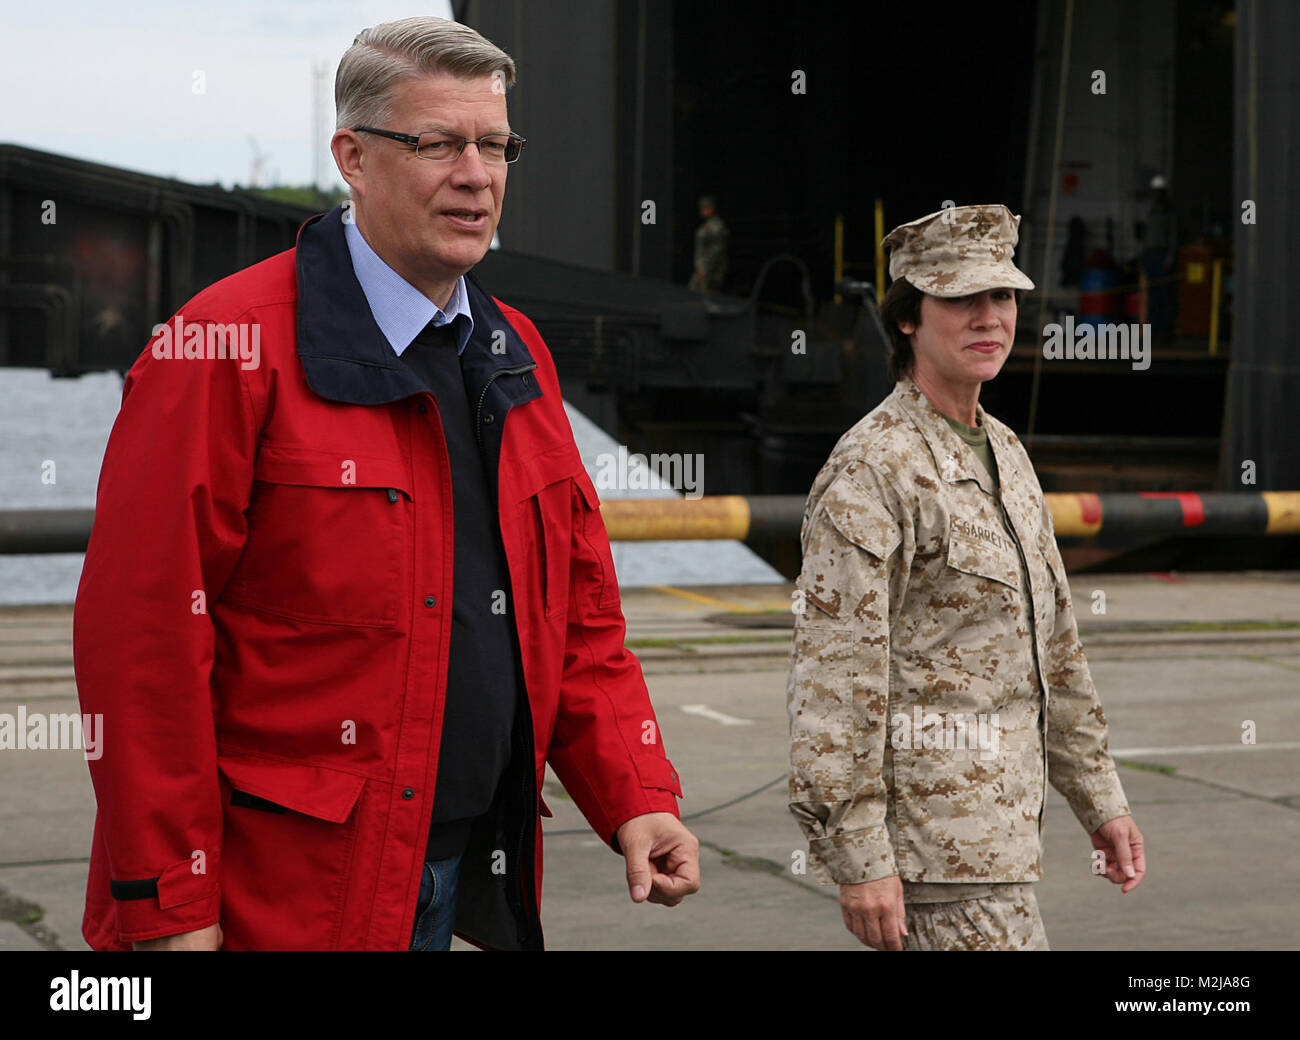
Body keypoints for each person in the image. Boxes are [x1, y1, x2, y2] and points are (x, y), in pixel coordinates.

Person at [74, 15, 699, 952]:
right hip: (286, 894)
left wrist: (635, 796)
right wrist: (171, 906)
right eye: (438, 143)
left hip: (460, 869)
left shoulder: (514, 351)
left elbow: (573, 614)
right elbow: (141, 646)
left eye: (495, 145)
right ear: (353, 158)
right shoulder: (223, 349)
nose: (476, 175)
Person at [786, 203, 1144, 951]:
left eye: (1003, 296)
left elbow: (1058, 650)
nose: (989, 317)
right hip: (931, 861)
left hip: (1004, 845)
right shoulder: (874, 469)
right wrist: (860, 859)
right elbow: (835, 681)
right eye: (960, 298)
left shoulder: (1005, 452)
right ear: (909, 319)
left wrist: (1100, 800)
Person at [687, 195, 729, 293]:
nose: (703, 211)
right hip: (703, 268)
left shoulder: (717, 226)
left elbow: (717, 250)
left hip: (710, 270)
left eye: (706, 208)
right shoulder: (708, 225)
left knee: (706, 296)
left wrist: (706, 268)